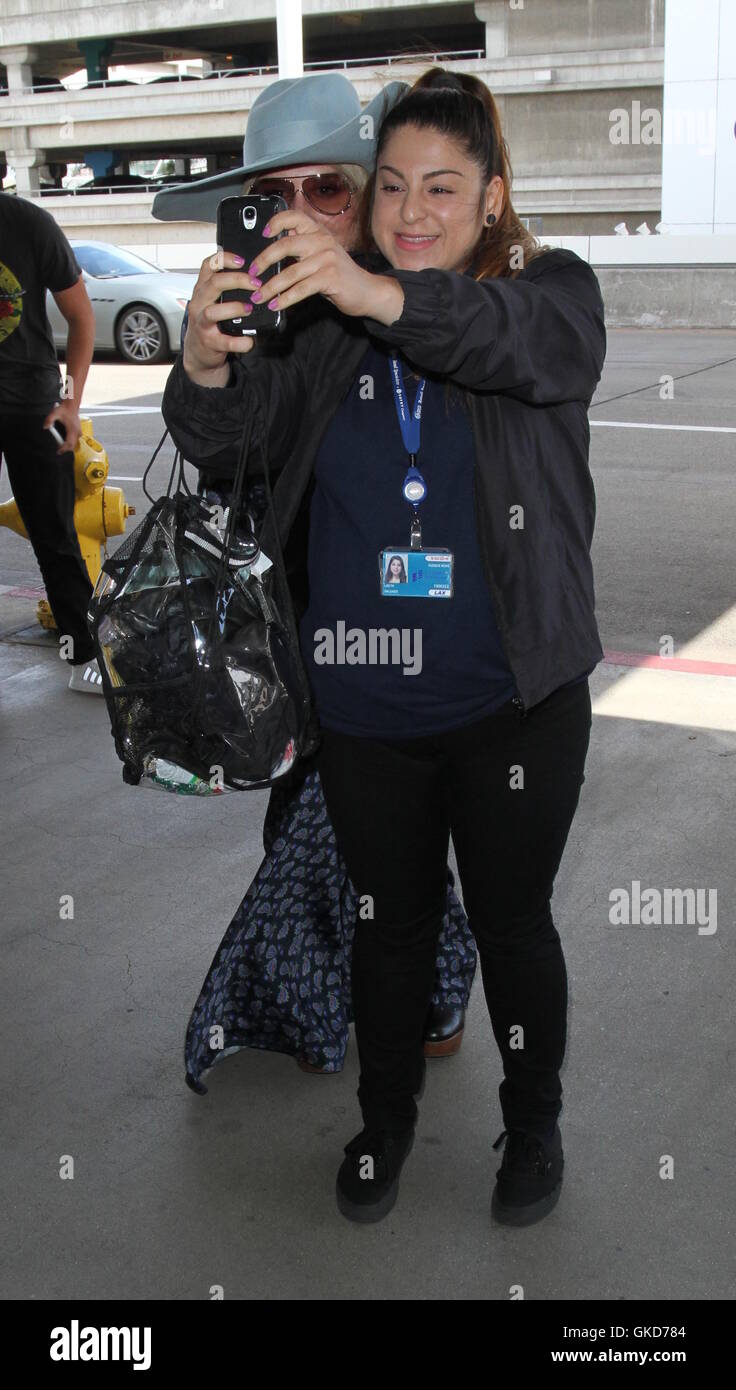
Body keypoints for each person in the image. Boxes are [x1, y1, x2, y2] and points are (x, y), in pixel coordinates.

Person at [161, 66, 607, 1228]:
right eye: (394, 185)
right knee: (387, 927)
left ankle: (536, 1118)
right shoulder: (320, 333)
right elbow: (228, 443)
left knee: (512, 928)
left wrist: (376, 296)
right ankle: (389, 1117)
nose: (411, 212)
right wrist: (206, 362)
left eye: (442, 190)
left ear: (492, 200)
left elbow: (524, 345)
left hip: (516, 701)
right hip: (365, 715)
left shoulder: (548, 295)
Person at [153, 74, 476, 1079]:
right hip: (290, 622)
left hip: (416, 642)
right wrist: (205, 360)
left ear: (371, 194)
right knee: (323, 820)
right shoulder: (263, 313)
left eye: (326, 191)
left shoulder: (424, 297)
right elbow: (224, 437)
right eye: (273, 196)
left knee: (371, 832)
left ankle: (366, 995)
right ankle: (412, 987)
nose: (300, 218)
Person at [0, 191, 103, 694]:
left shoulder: (29, 225)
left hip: (35, 409)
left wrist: (71, 402)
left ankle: (87, 657)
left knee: (55, 541)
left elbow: (82, 318)